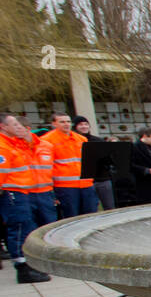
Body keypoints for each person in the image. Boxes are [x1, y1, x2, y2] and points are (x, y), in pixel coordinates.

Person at [0, 112, 53, 282]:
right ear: (3, 127)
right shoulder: (3, 147)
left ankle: (29, 266)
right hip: (12, 193)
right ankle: (23, 269)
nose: (19, 127)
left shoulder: (14, 144)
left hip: (22, 193)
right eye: (14, 124)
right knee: (19, 229)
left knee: (26, 227)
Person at [41, 113, 98, 217]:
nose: (66, 124)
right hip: (65, 187)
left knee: (91, 216)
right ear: (54, 124)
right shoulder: (47, 141)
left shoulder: (81, 139)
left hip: (86, 184)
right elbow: (46, 168)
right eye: (62, 122)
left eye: (68, 121)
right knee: (71, 217)